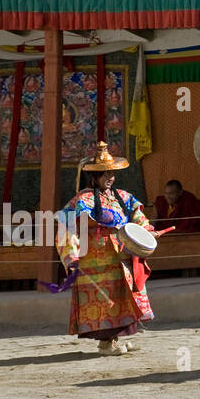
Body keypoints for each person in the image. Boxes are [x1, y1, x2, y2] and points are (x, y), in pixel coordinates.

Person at [53, 142, 155, 357]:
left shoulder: (122, 196)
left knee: (123, 297)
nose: (110, 177)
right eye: (105, 173)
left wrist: (146, 230)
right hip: (95, 262)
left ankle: (115, 340)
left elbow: (138, 217)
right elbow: (66, 226)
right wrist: (71, 257)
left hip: (121, 257)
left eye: (112, 173)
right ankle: (105, 344)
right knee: (104, 301)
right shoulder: (82, 200)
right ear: (94, 177)